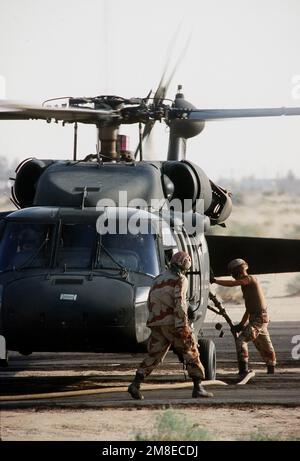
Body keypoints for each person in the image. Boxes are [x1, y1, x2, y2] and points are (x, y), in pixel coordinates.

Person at [128, 251, 213, 400]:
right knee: (191, 352)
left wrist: (155, 320)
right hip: (173, 323)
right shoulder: (180, 279)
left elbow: (150, 301)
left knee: (154, 355)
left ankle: (135, 384)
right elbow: (180, 303)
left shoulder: (158, 278)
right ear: (185, 264)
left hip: (156, 323)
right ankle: (198, 387)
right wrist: (183, 326)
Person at [212, 258, 276, 376]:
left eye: (233, 273)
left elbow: (233, 284)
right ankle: (271, 369)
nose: (233, 276)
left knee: (241, 341)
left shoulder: (249, 280)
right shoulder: (247, 285)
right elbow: (249, 309)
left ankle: (243, 370)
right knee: (263, 343)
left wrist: (215, 281)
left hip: (259, 319)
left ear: (238, 271)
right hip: (258, 318)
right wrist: (241, 324)